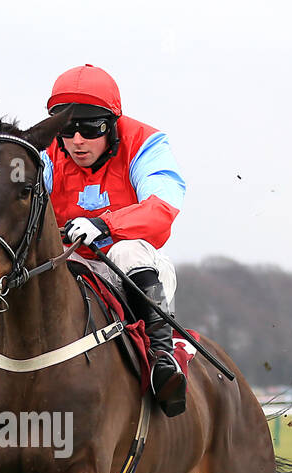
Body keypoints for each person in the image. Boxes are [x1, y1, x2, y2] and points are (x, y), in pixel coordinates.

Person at [44, 64, 189, 415]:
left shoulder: (147, 144)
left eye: (90, 128)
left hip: (137, 270)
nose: (77, 140)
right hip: (73, 267)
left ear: (111, 124)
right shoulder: (46, 153)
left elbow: (161, 208)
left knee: (128, 250)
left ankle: (161, 358)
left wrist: (106, 225)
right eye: (66, 128)